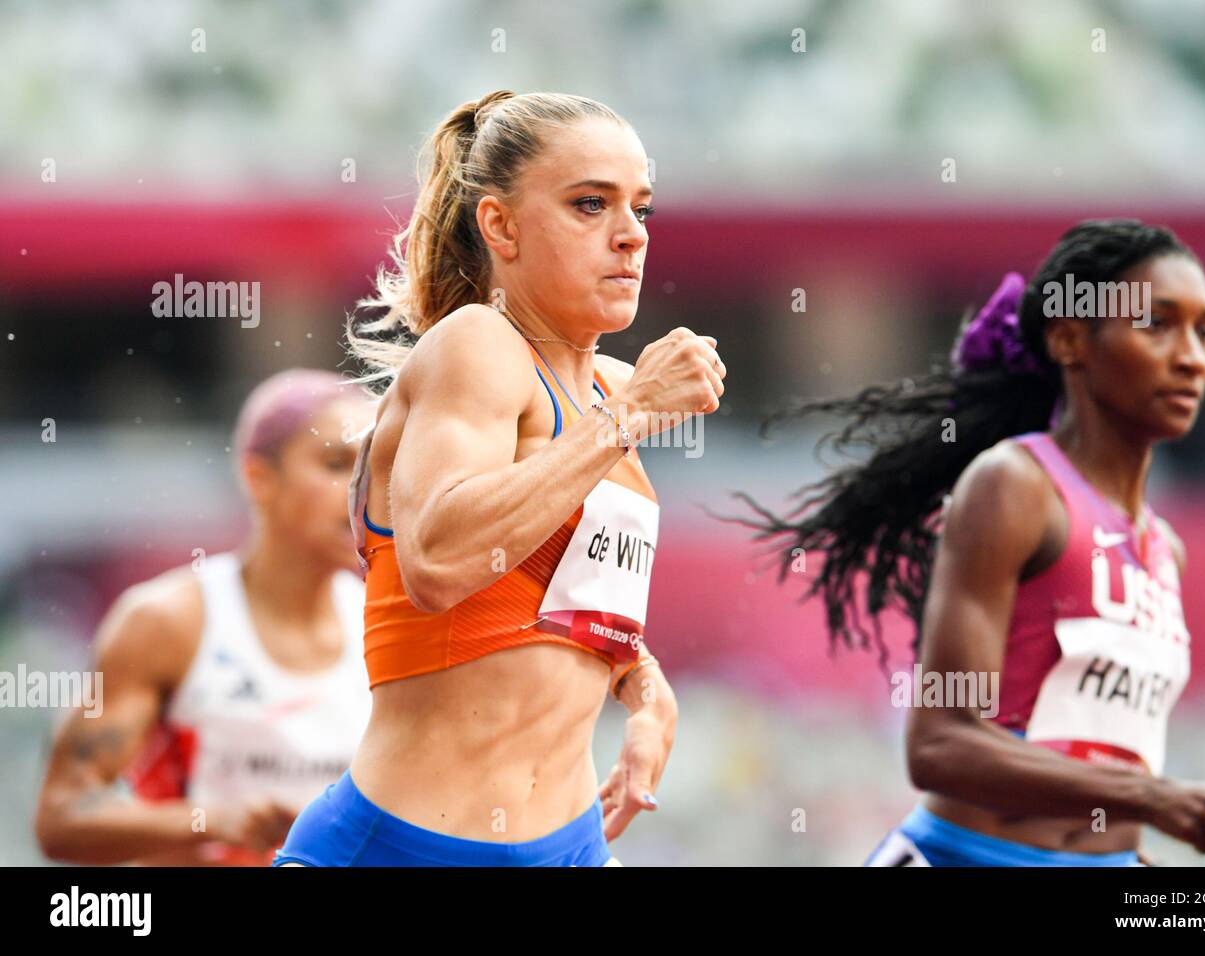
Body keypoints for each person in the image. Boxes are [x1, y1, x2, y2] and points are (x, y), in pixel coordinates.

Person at [274, 90, 723, 867]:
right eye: (591, 204)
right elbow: (439, 563)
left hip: (572, 844)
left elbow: (559, 607)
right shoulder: (477, 346)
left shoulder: (613, 390)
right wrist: (630, 417)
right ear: (500, 225)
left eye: (641, 208)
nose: (629, 237)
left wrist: (646, 691)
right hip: (406, 849)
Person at [742, 219, 1205, 866]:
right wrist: (1153, 797)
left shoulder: (1167, 549)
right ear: (1070, 339)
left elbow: (1106, 756)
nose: (1192, 356)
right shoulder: (1016, 489)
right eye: (1157, 324)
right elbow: (940, 745)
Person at [34, 369, 374, 865]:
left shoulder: (384, 623)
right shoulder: (168, 621)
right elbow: (61, 818)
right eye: (336, 464)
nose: (360, 492)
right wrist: (218, 819)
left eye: (372, 468)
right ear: (259, 477)